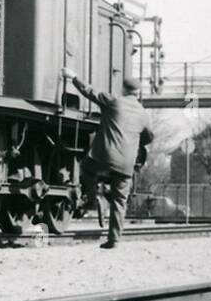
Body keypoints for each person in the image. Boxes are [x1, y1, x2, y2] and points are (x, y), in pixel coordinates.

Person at [61, 68, 153, 249]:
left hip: (104, 157)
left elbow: (90, 92)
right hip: (127, 163)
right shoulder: (143, 114)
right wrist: (134, 139)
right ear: (137, 93)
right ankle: (114, 240)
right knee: (120, 200)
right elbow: (149, 137)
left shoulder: (114, 102)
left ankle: (92, 198)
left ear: (124, 90)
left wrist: (73, 77)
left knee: (86, 168)